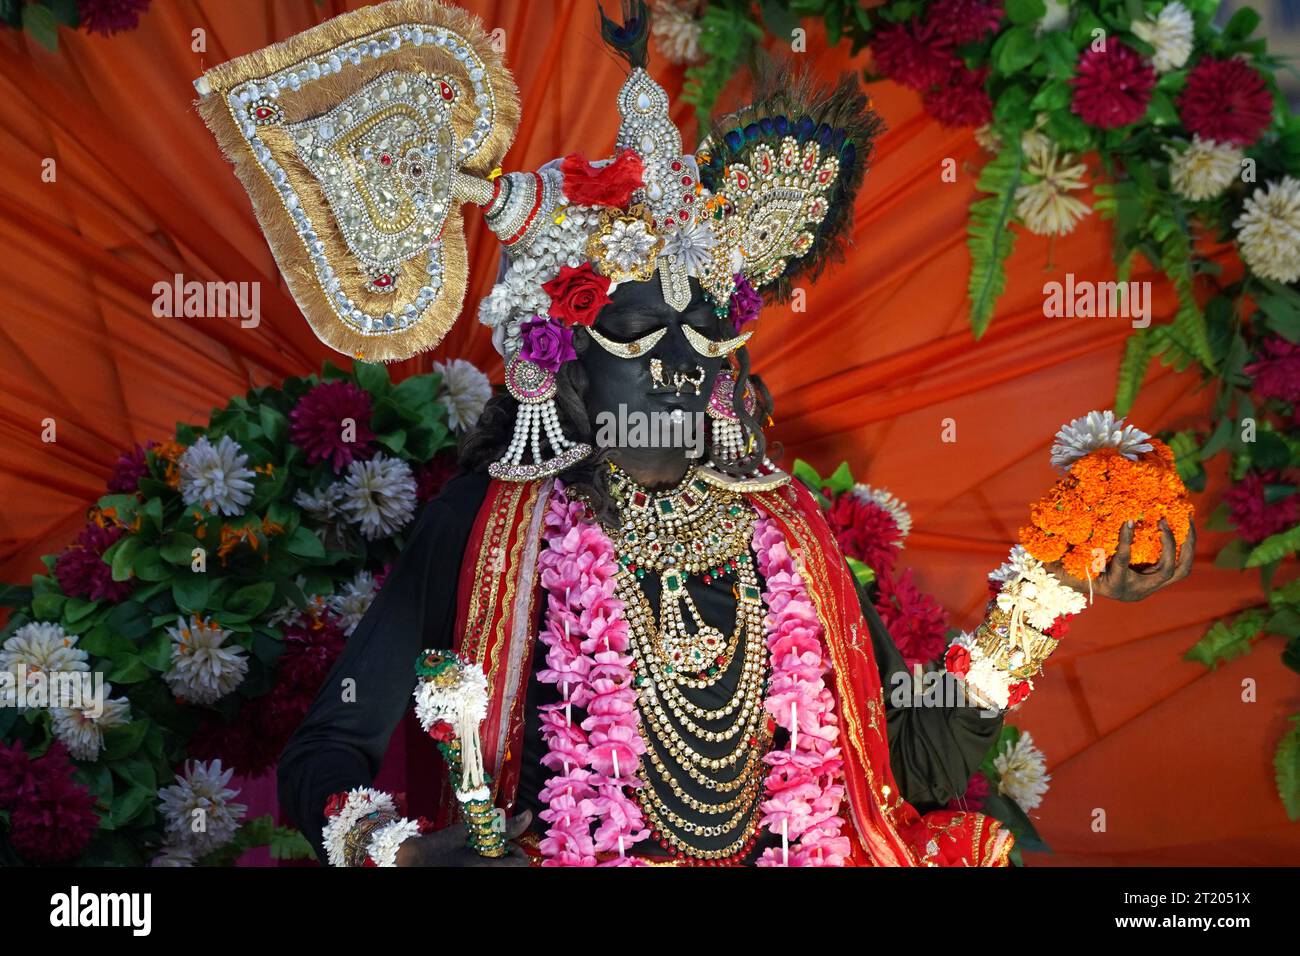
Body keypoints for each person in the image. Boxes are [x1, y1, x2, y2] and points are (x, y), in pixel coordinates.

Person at [196, 0, 1193, 867]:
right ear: (557, 356)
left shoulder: (789, 527)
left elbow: (923, 760)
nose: (684, 365)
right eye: (640, 331)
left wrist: (1051, 582)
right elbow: (324, 753)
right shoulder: (489, 526)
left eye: (712, 333)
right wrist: (401, 847)